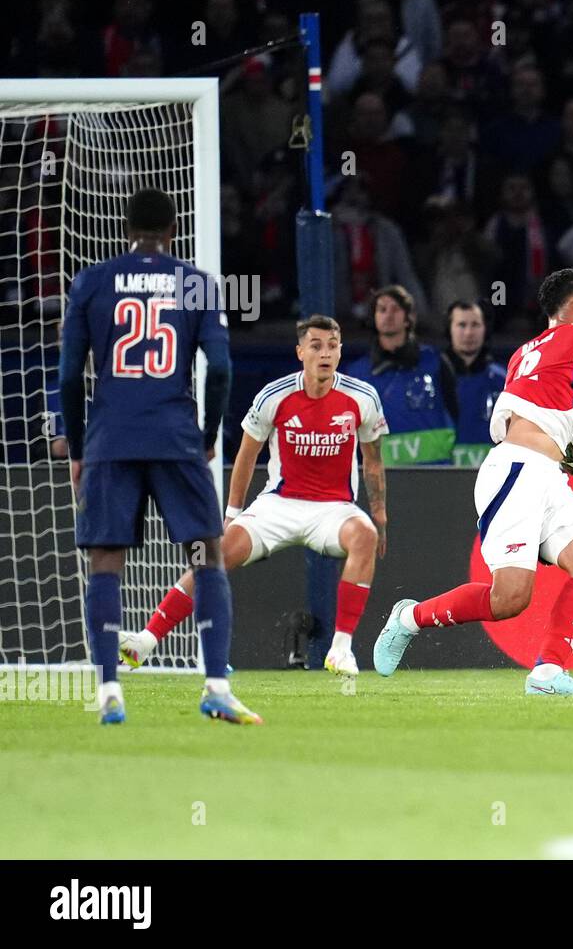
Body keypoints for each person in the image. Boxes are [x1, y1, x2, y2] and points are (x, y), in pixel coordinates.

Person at [58, 188, 257, 724]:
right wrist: (210, 433)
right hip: (174, 437)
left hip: (110, 439)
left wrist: (78, 447)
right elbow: (219, 369)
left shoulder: (92, 282)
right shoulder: (194, 284)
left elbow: (68, 375)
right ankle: (215, 686)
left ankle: (108, 691)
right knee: (204, 556)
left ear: (127, 228)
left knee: (106, 562)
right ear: (173, 229)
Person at [372, 269, 573, 696]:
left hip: (539, 471)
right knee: (509, 599)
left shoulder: (525, 352)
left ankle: (547, 673)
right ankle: (409, 618)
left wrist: (568, 448)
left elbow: (513, 419)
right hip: (520, 470)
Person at [121, 316, 389, 680]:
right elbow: (246, 456)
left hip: (334, 509)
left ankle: (340, 649)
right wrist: (232, 513)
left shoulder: (363, 397)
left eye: (332, 345)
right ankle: (146, 641)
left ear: (340, 350)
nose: (325, 353)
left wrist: (379, 515)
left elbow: (372, 462)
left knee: (366, 535)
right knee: (214, 554)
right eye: (316, 345)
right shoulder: (273, 396)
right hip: (277, 505)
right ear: (300, 352)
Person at [345, 285, 457, 466]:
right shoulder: (356, 374)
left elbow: (456, 412)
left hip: (435, 475)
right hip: (383, 478)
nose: (388, 315)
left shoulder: (435, 362)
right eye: (382, 310)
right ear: (374, 318)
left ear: (408, 318)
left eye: (395, 309)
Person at [443, 300, 507, 467]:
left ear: (485, 329)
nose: (469, 333)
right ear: (449, 329)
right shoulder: (433, 380)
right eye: (461, 325)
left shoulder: (505, 381)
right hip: (442, 477)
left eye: (475, 325)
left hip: (492, 476)